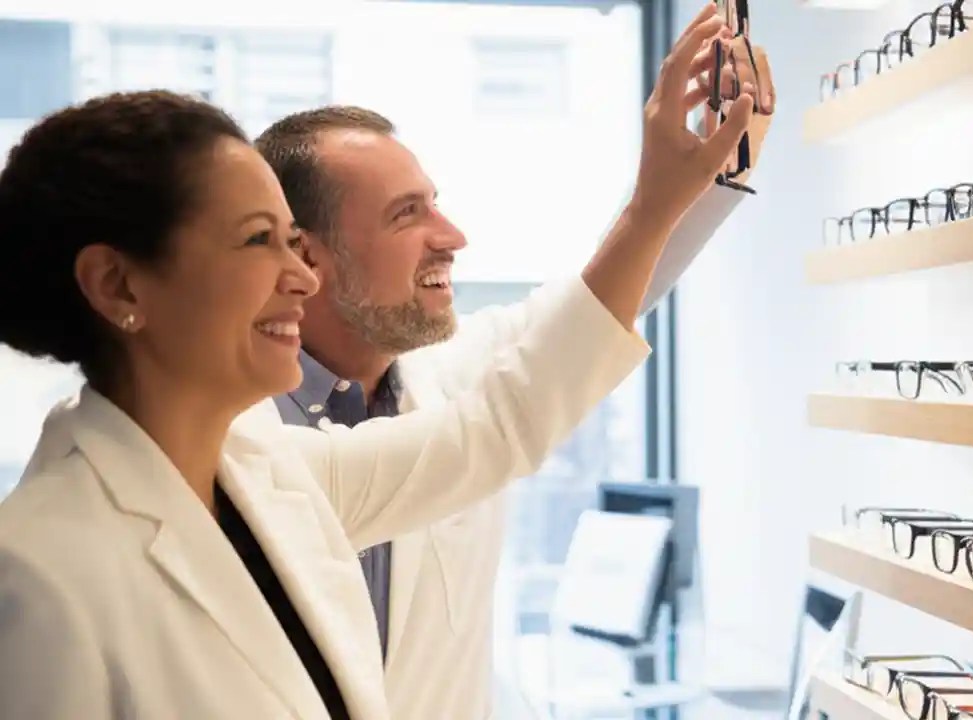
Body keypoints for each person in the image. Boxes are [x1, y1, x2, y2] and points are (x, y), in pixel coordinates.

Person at [0, 6, 754, 718]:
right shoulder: (37, 574)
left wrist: (675, 191)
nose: (298, 275)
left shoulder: (272, 474)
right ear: (118, 284)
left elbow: (506, 420)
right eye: (260, 239)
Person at [245, 28, 774, 720]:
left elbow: (601, 304)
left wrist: (715, 171)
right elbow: (508, 418)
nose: (452, 235)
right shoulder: (238, 440)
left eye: (434, 201)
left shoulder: (452, 375)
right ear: (306, 259)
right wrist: (657, 199)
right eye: (409, 214)